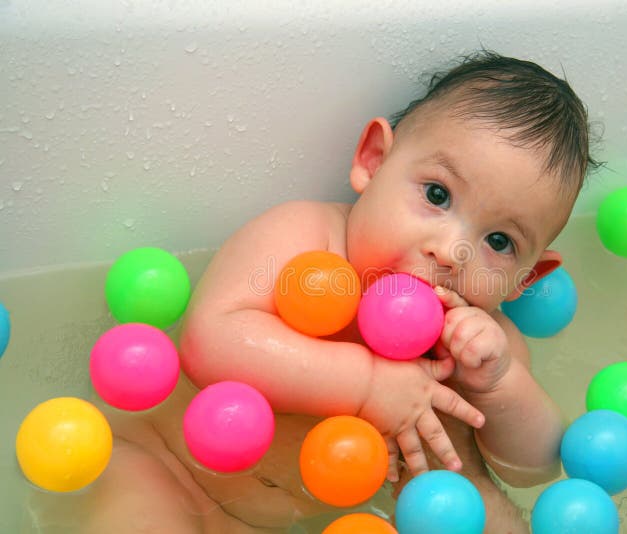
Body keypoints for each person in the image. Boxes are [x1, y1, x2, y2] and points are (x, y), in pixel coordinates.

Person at [27, 51, 596, 533]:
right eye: (437, 195)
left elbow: (534, 465)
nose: (451, 251)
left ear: (525, 279)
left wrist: (498, 384)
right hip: (170, 468)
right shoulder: (305, 238)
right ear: (374, 161)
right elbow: (211, 339)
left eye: (499, 241)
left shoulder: (482, 346)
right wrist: (368, 385)